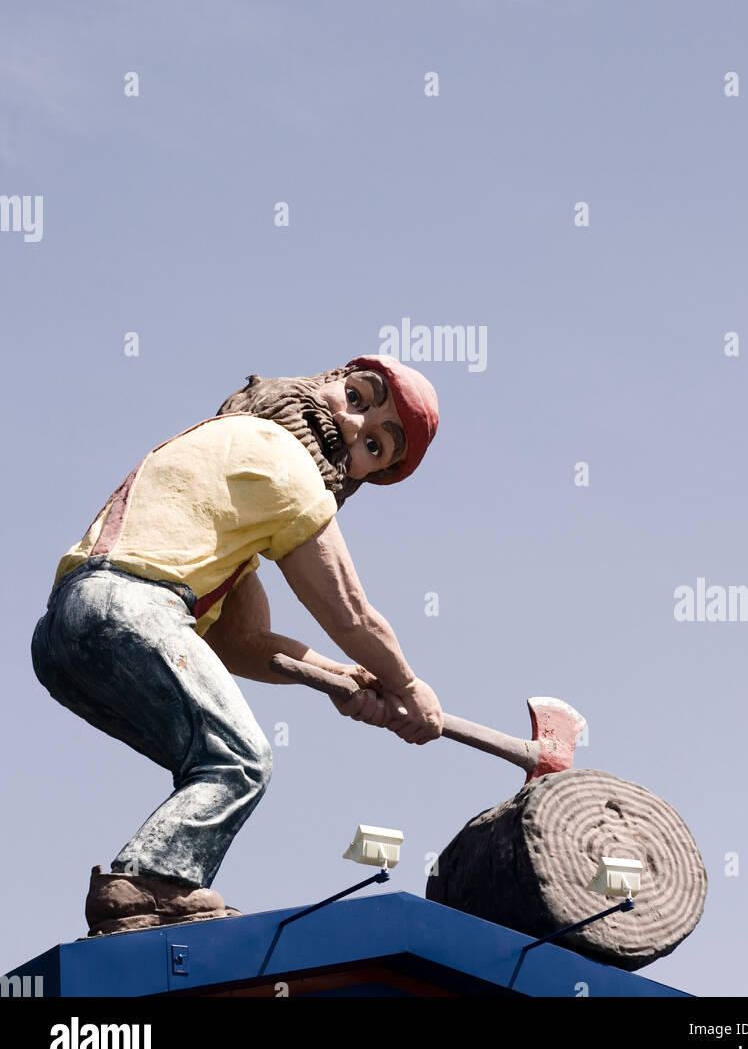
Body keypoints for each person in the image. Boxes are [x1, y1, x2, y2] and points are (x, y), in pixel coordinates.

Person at [30, 354, 443, 936]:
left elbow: (239, 642)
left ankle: (147, 898)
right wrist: (408, 686)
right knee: (239, 761)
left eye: (376, 446)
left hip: (64, 638)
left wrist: (336, 678)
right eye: (357, 397)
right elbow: (349, 610)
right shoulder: (277, 454)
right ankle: (152, 881)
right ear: (324, 380)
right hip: (132, 607)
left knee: (208, 757)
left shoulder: (228, 484)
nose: (353, 427)